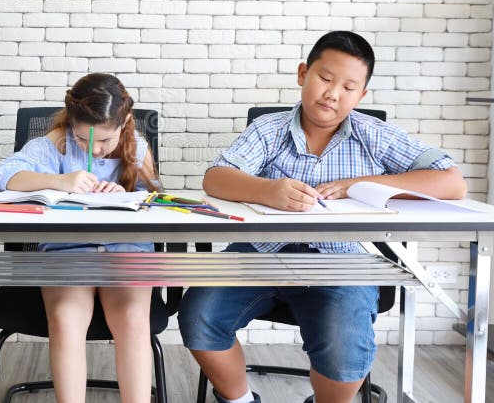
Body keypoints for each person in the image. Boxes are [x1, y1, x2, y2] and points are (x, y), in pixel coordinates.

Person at [178, 31, 466, 403]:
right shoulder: (269, 129)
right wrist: (269, 190)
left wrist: (359, 183)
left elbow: (451, 180)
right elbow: (215, 177)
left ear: (361, 96)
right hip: (260, 253)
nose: (332, 94)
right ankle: (240, 399)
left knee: (345, 345)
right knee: (199, 315)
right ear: (303, 74)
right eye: (325, 79)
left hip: (344, 260)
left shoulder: (374, 135)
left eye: (348, 87)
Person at [0, 72, 160, 403]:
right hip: (67, 250)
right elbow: (4, 177)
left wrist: (123, 195)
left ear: (125, 121)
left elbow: (153, 200)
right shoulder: (53, 144)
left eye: (105, 141)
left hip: (126, 250)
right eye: (84, 141)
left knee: (131, 320)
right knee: (66, 320)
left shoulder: (137, 148)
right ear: (71, 123)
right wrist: (58, 181)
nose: (95, 151)